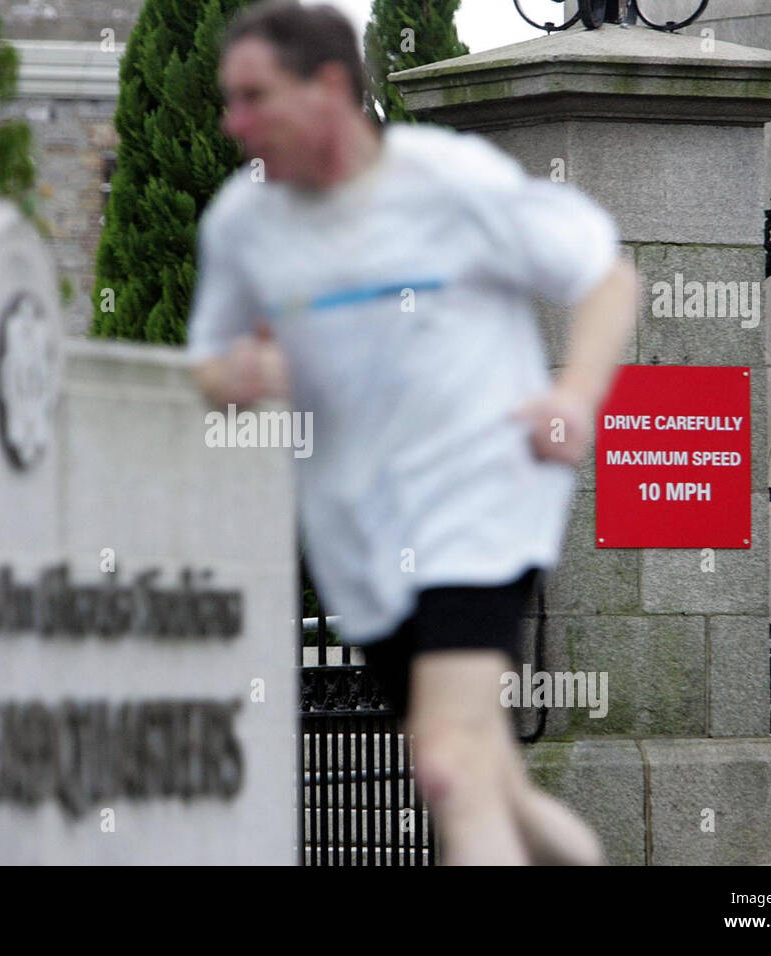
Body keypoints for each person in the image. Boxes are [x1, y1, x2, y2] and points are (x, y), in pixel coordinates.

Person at [187, 0, 637, 865]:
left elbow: (606, 277)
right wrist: (235, 376)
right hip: (362, 538)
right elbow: (207, 363)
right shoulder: (243, 227)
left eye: (253, 97)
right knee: (487, 775)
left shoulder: (449, 182)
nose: (232, 123)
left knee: (443, 765)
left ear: (327, 88)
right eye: (229, 99)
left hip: (482, 504)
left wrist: (576, 397)